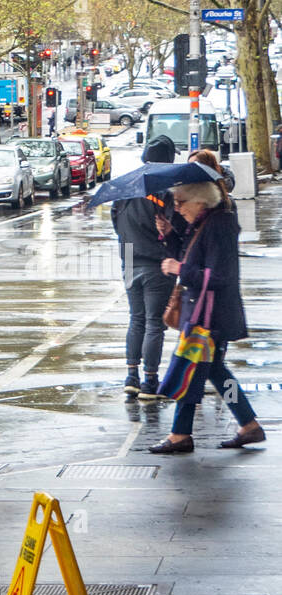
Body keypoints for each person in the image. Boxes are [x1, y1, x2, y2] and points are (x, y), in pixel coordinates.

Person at [149, 175, 264, 453]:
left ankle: (180, 434)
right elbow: (191, 258)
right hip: (204, 314)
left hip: (208, 317)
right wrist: (169, 234)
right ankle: (248, 424)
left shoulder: (218, 225)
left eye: (181, 202)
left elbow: (219, 276)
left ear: (201, 199)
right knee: (213, 372)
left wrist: (180, 269)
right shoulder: (201, 223)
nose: (177, 208)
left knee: (188, 371)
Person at [112, 135, 182, 401]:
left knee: (136, 318)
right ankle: (150, 381)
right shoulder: (165, 190)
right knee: (154, 322)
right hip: (156, 260)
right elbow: (175, 227)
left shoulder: (126, 186)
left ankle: (131, 376)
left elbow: (117, 223)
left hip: (129, 258)